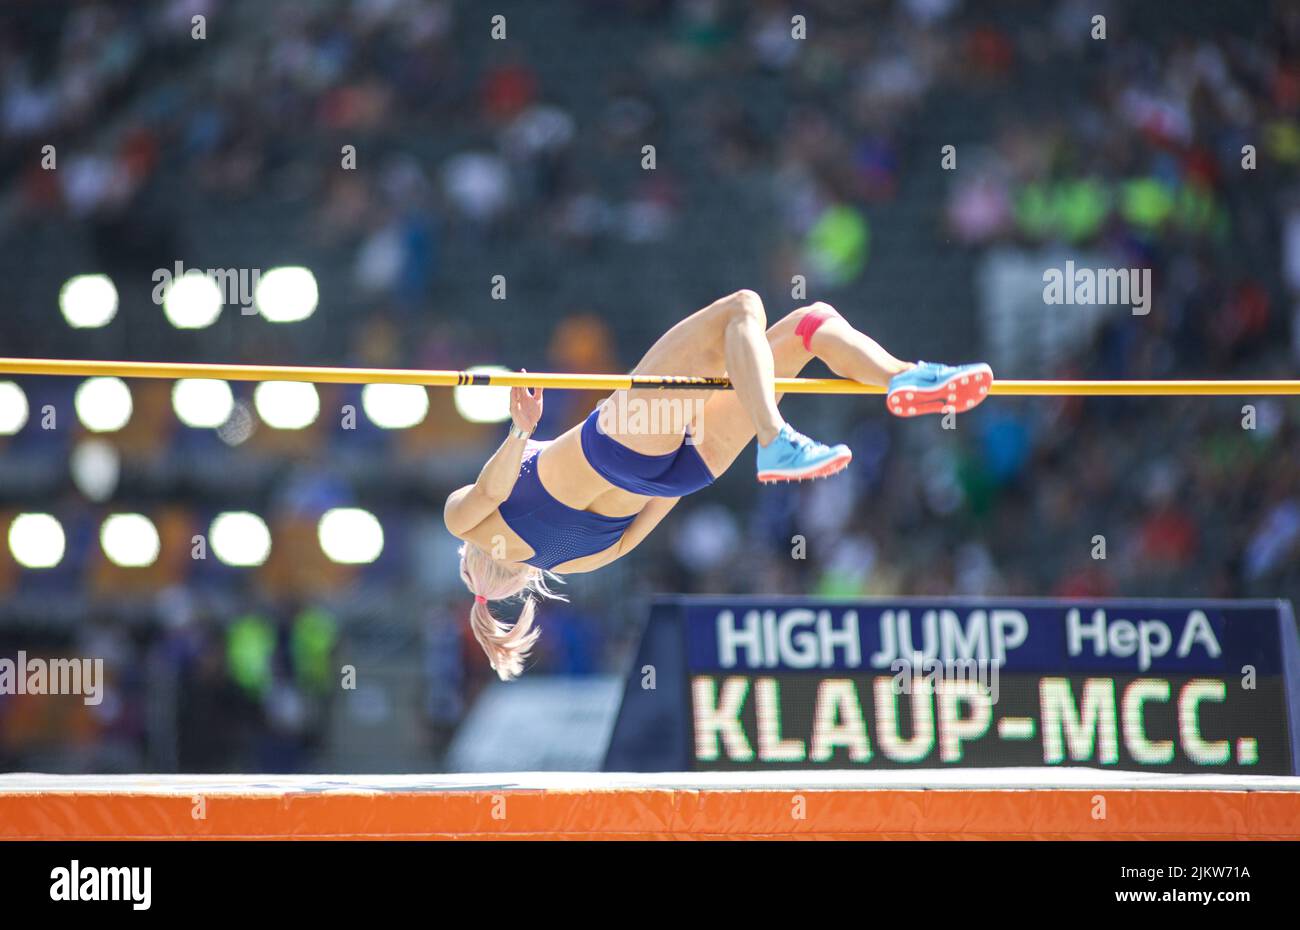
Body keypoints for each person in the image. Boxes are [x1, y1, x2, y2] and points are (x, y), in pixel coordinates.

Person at [444, 290, 992, 679]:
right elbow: (489, 492)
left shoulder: (572, 562)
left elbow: (648, 516)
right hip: (626, 441)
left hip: (683, 470)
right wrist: (522, 430)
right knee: (742, 309)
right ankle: (784, 430)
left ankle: (903, 379)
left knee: (808, 325)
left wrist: (688, 429)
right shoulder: (466, 519)